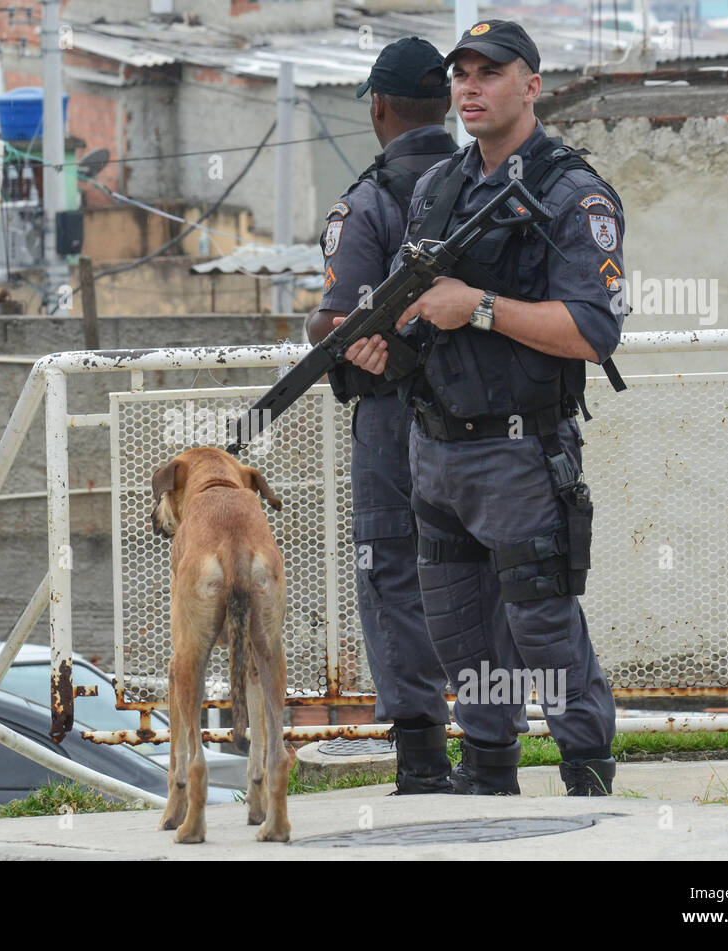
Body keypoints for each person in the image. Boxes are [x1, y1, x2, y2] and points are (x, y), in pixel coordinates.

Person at [343, 20, 627, 796]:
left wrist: (479, 307)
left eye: (489, 72)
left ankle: (588, 779)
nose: (470, 86)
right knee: (460, 633)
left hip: (520, 451)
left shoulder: (573, 192)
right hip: (434, 449)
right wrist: (378, 346)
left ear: (531, 85)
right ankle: (487, 779)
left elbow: (593, 330)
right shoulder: (439, 188)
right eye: (460, 74)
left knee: (543, 628)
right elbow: (413, 314)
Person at [305, 36, 500, 795]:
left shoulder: (369, 201)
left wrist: (330, 333)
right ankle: (492, 759)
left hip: (393, 424)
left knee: (394, 575)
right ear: (446, 101)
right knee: (484, 577)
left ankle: (421, 761)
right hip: (484, 417)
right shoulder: (481, 184)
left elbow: (337, 323)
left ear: (379, 107)